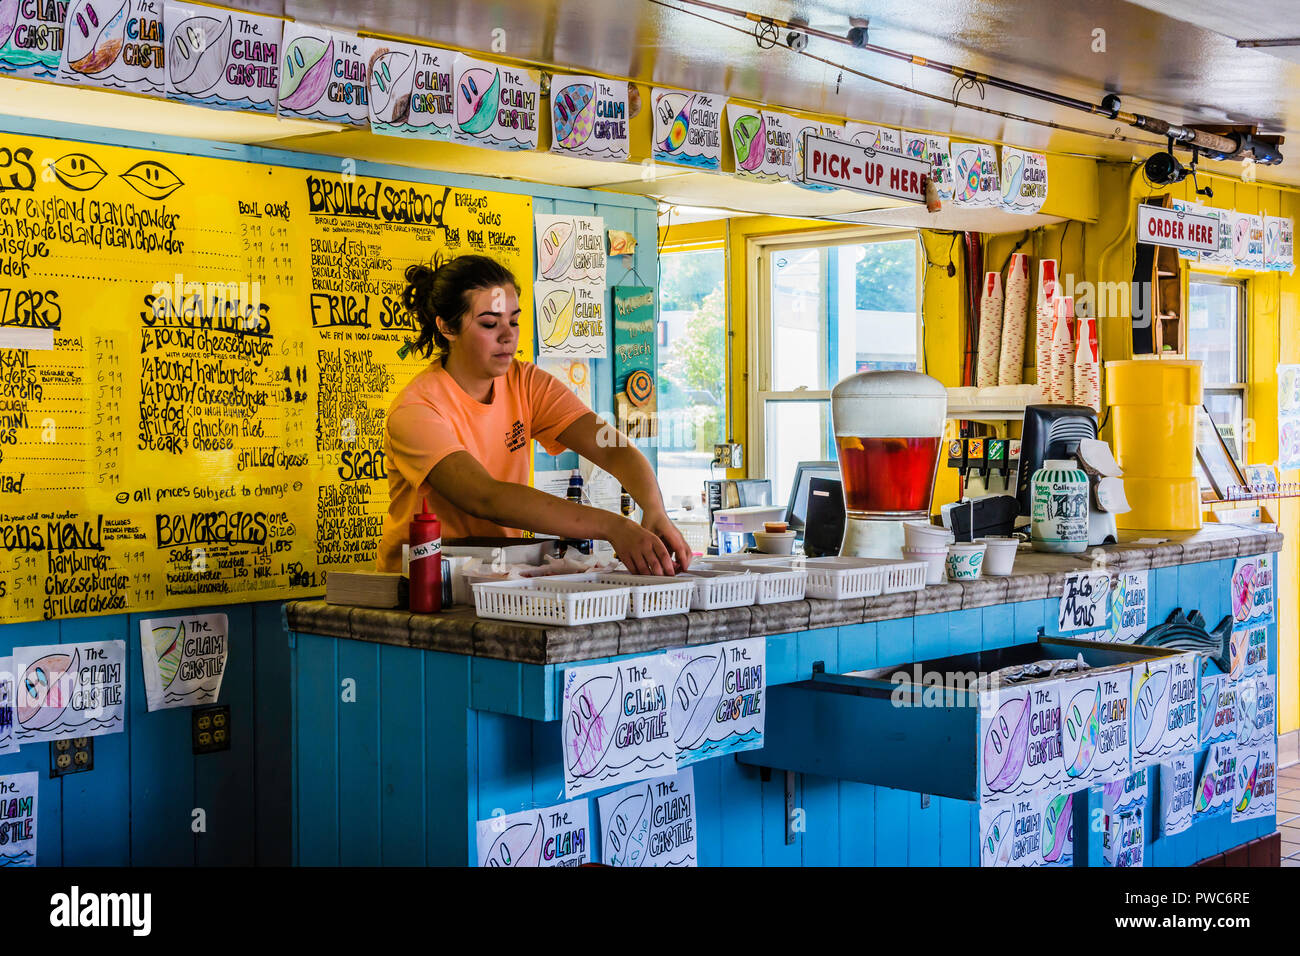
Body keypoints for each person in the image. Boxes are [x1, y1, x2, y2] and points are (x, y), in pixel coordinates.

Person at [377, 254, 691, 577]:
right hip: (420, 590)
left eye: (513, 321)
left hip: (494, 581)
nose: (507, 335)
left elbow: (612, 446)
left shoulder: (526, 383)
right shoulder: (416, 410)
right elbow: (487, 497)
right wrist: (614, 526)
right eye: (489, 323)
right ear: (446, 327)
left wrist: (654, 509)